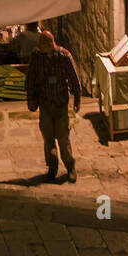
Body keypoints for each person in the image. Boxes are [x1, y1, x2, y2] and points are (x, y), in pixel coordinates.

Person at [26, 30, 81, 183]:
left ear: (50, 44)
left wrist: (77, 100)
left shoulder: (64, 57)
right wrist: (30, 99)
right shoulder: (37, 57)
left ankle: (70, 167)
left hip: (60, 103)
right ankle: (52, 168)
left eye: (42, 44)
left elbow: (74, 79)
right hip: (45, 104)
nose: (39, 47)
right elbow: (31, 78)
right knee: (48, 138)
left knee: (63, 138)